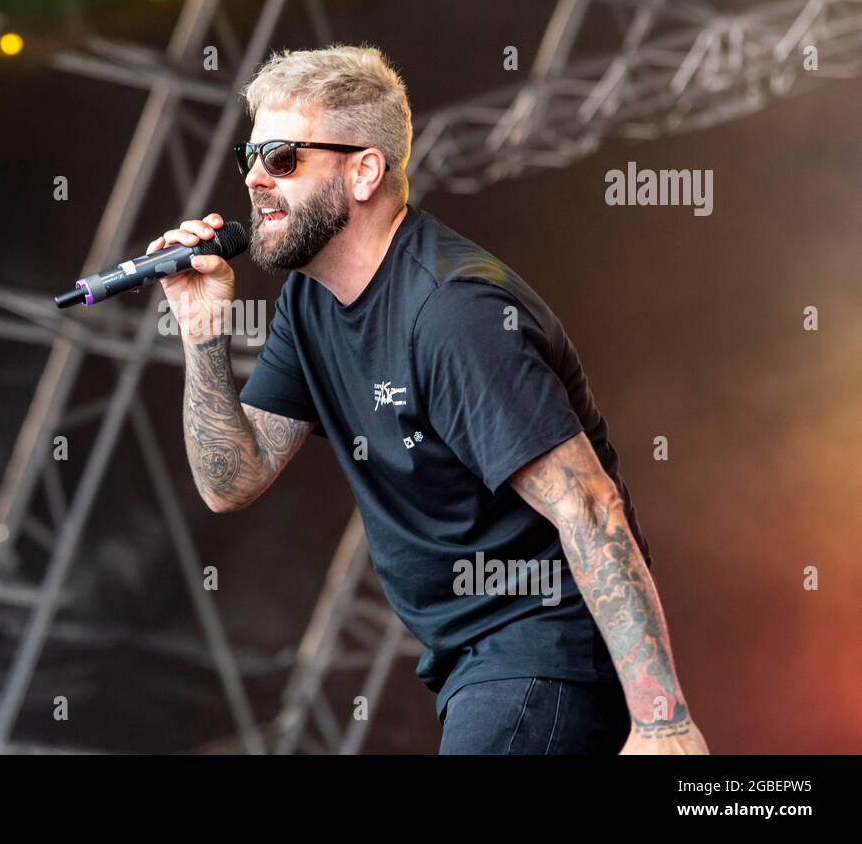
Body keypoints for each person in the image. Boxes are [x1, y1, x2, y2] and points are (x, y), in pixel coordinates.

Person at [150, 44, 708, 755]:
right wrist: (202, 335)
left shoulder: (454, 310)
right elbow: (233, 481)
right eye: (249, 157)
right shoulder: (309, 303)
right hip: (472, 666)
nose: (256, 179)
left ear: (364, 170)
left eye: (283, 157)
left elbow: (589, 503)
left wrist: (662, 719)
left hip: (544, 652)